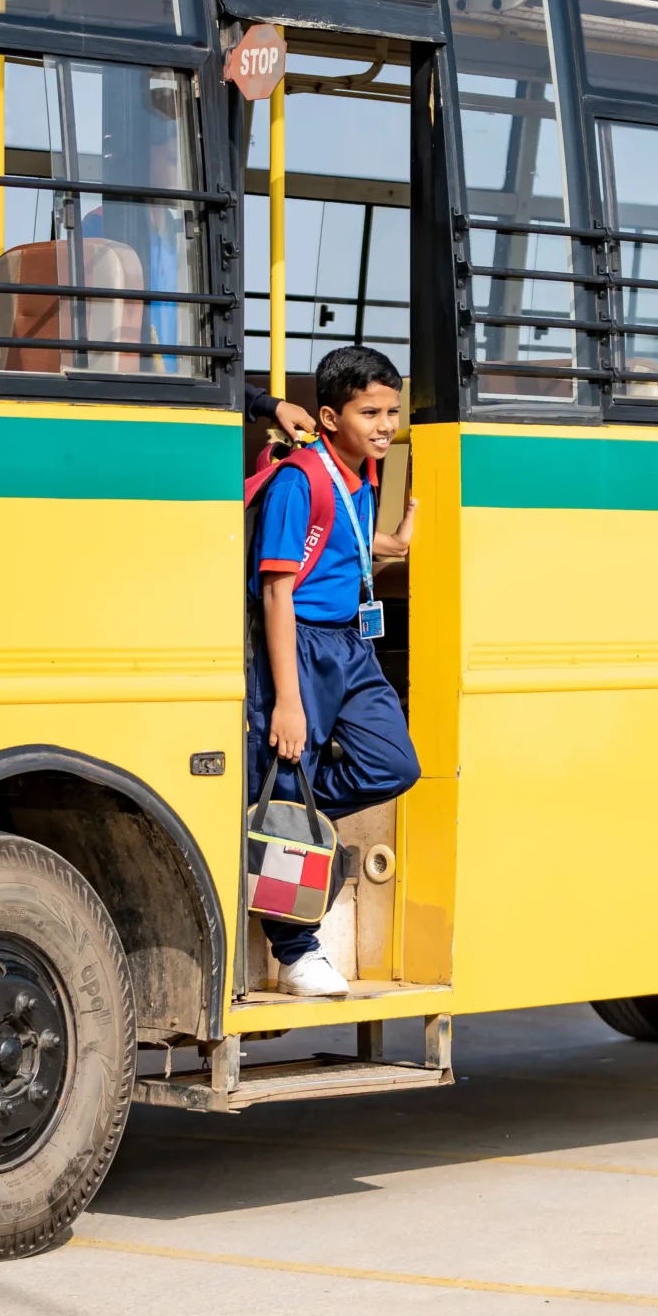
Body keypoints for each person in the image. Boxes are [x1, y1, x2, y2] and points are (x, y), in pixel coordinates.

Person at [249, 345, 419, 996]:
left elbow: (340, 535)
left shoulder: (363, 474)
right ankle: (296, 951)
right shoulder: (302, 478)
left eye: (392, 411)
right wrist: (289, 699)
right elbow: (277, 589)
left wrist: (391, 543)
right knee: (289, 774)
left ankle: (291, 812)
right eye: (369, 411)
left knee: (393, 762)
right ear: (328, 416)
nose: (384, 425)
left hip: (352, 644)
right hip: (305, 645)